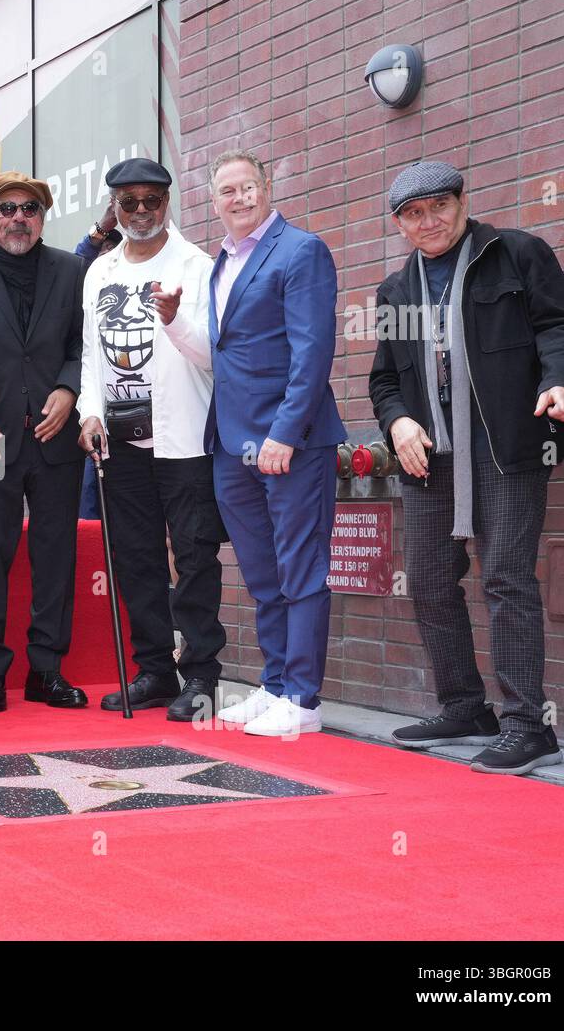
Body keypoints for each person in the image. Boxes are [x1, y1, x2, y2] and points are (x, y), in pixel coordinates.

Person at [369, 161, 564, 774]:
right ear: (400, 224)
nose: (429, 221)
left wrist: (561, 383)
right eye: (413, 214)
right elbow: (385, 379)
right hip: (428, 459)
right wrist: (397, 422)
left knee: (507, 579)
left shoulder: (516, 254)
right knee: (430, 581)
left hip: (509, 448)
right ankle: (465, 706)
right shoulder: (396, 291)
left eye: (439, 205)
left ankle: (529, 725)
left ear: (463, 201)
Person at [75, 159, 226, 721]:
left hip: (182, 439)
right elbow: (92, 355)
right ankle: (155, 670)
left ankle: (203, 677)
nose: (140, 211)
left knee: (193, 559)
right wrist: (89, 411)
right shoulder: (100, 271)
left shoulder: (197, 265)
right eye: (128, 202)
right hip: (118, 442)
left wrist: (172, 320)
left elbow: (216, 358)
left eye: (151, 201)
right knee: (136, 559)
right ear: (114, 206)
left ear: (168, 203)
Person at [205, 149, 346, 737]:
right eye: (225, 192)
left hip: (290, 443)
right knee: (262, 573)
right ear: (214, 203)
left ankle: (305, 701)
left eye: (246, 188)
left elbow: (312, 352)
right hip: (232, 445)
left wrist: (285, 434)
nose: (237, 199)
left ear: (267, 188)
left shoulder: (301, 250)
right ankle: (276, 684)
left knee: (300, 567)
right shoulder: (222, 261)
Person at [0, 171, 87, 712]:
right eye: (6, 208)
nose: (18, 217)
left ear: (43, 216)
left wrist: (70, 389)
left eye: (30, 208)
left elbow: (82, 343)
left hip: (55, 437)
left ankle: (46, 671)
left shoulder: (72, 270)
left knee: (55, 555)